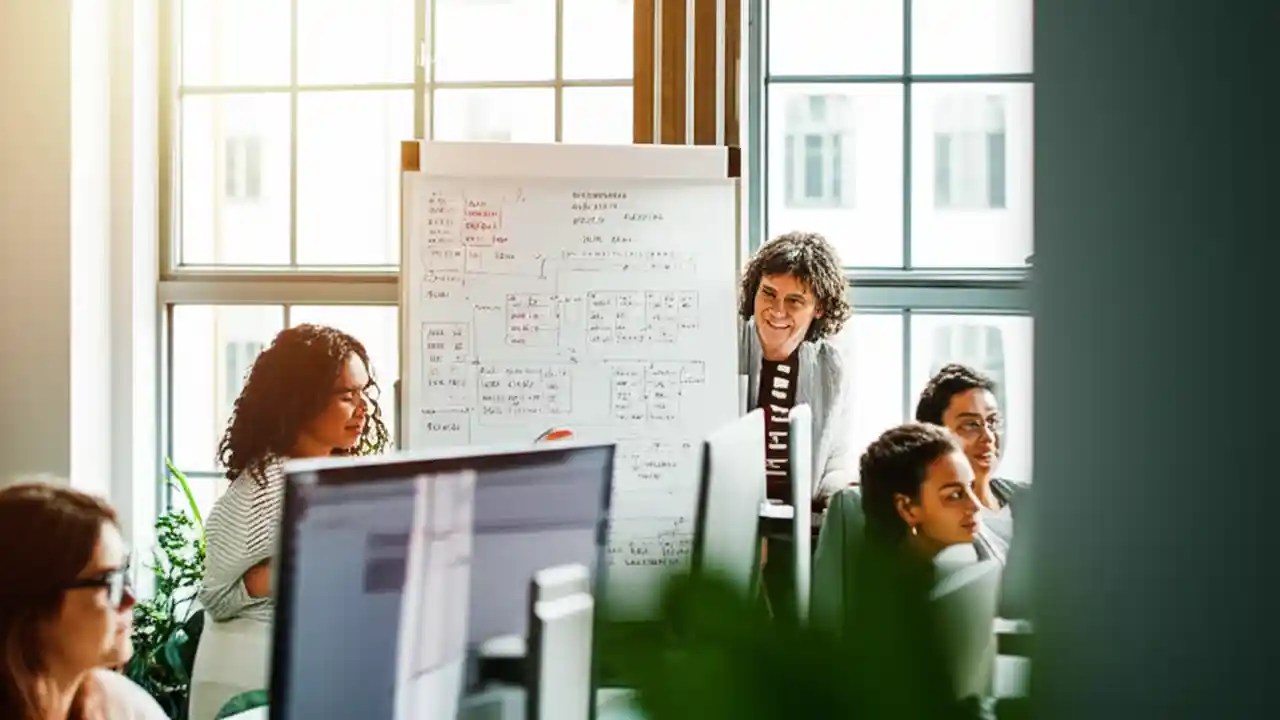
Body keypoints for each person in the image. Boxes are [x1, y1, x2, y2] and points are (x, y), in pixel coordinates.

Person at [189, 324, 390, 720]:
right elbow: (215, 594)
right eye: (348, 395)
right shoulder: (264, 490)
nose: (363, 407)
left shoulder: (327, 471)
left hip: (308, 667)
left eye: (364, 392)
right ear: (302, 401)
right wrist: (301, 570)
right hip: (251, 684)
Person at [738, 231, 855, 623]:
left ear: (818, 309)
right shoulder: (727, 346)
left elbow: (836, 457)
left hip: (800, 525)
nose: (776, 311)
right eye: (768, 294)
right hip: (735, 520)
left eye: (795, 301)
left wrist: (842, 489)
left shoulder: (830, 367)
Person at [849, 423, 986, 719]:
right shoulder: (897, 610)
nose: (974, 506)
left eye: (971, 489)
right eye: (954, 495)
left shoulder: (936, 573)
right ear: (908, 509)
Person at [0, 481, 168, 720]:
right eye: (108, 581)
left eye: (124, 575)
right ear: (32, 602)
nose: (130, 599)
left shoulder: (120, 705)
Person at [915, 363, 1028, 564]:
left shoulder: (1029, 498)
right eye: (970, 425)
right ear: (934, 436)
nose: (989, 436)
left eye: (992, 422)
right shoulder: (943, 522)